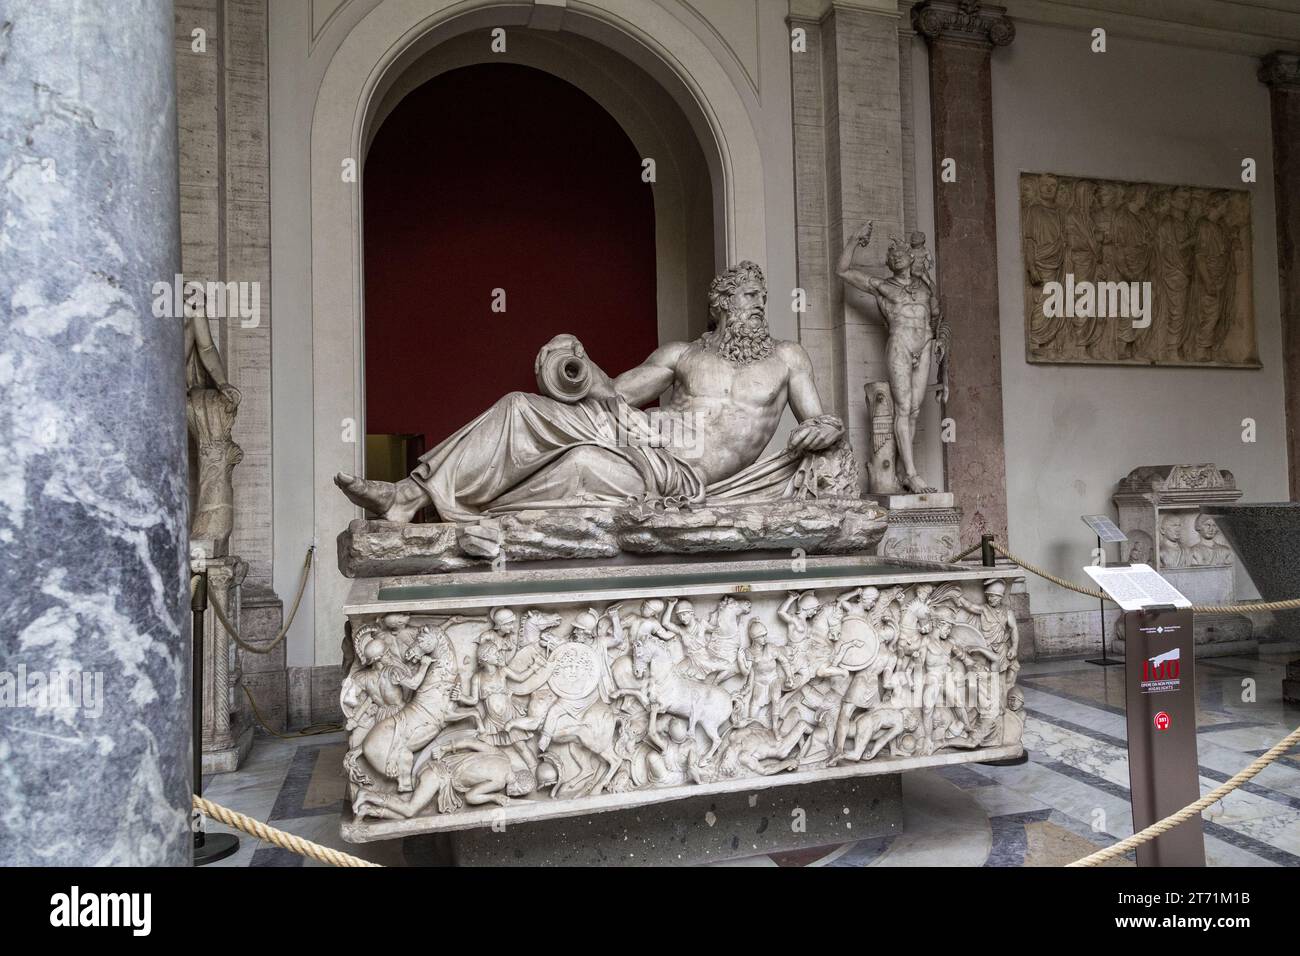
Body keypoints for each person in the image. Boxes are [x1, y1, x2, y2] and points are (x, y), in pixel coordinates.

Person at [335, 262, 845, 538]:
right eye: (749, 295)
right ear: (722, 304)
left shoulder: (786, 357)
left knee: (579, 464)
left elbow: (819, 418)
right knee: (518, 406)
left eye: (761, 296)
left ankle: (463, 507)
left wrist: (826, 428)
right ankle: (409, 496)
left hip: (685, 477)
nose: (760, 304)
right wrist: (571, 356)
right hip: (645, 438)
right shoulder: (683, 355)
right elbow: (613, 395)